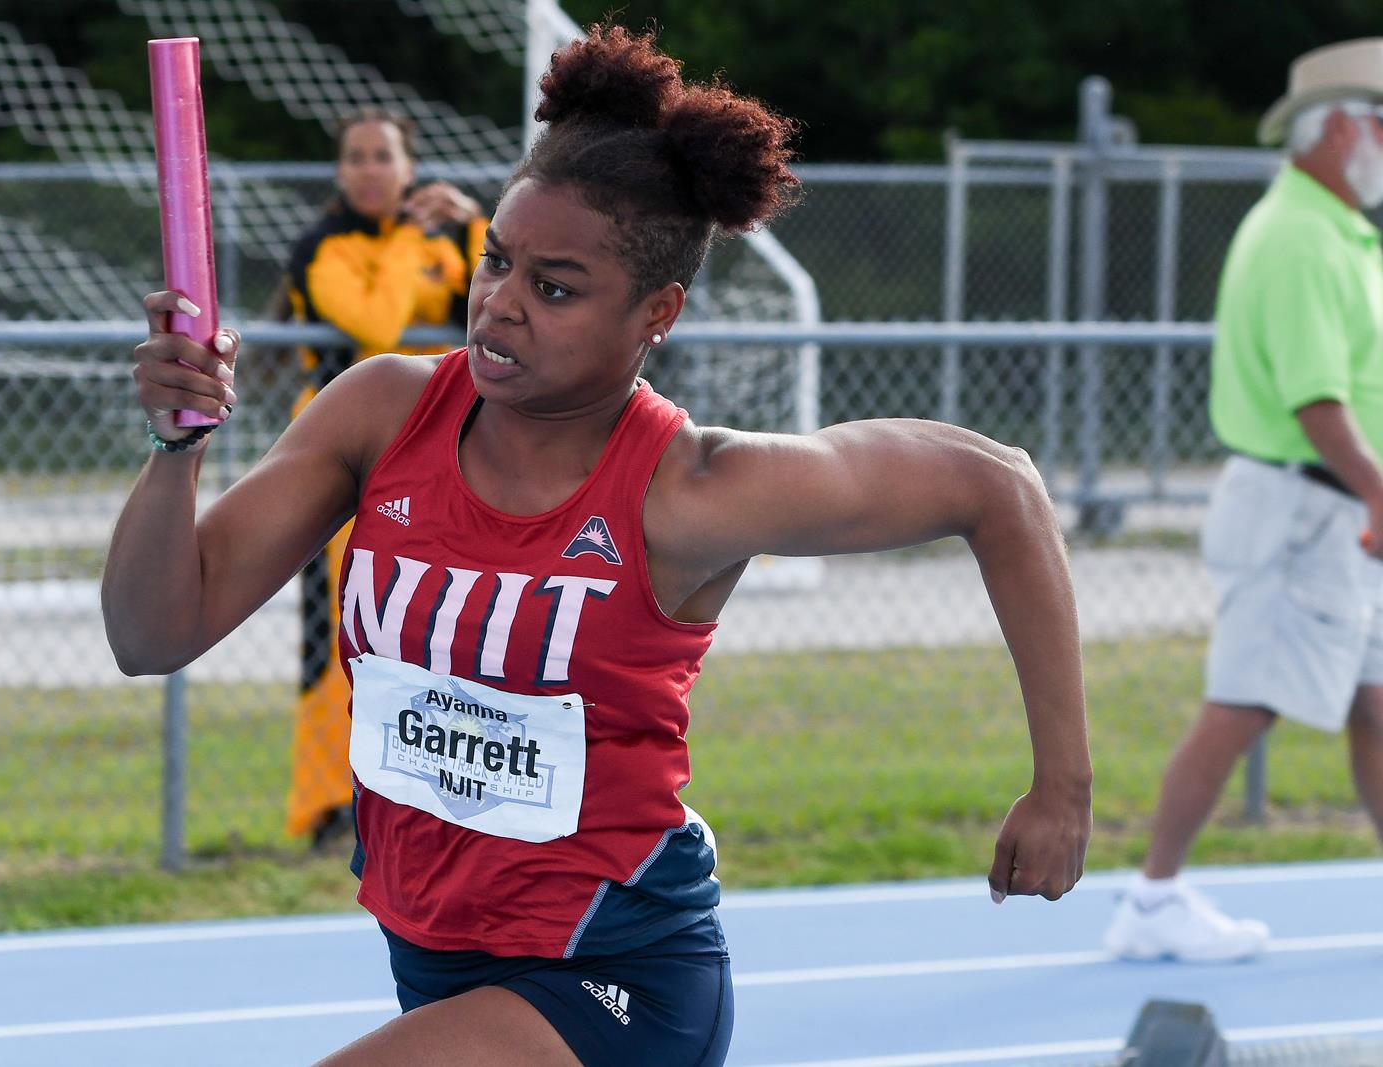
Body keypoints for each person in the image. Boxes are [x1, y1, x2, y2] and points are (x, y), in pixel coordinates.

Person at [104, 25, 1091, 1066]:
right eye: (497, 260)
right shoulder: (381, 412)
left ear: (655, 311)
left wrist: (1061, 787)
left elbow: (1000, 485)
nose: (501, 304)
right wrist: (176, 449)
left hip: (610, 974)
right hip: (433, 949)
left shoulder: (691, 490)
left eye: (556, 287)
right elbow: (151, 632)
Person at [1103, 39, 1383, 964]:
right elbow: (1318, 399)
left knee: (1376, 702)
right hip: (1307, 508)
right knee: (1246, 698)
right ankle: (1151, 899)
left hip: (1343, 512)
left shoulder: (1338, 229)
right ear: (1341, 128)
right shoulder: (1302, 235)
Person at [271, 108, 488, 848]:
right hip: (344, 461)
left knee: (439, 629)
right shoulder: (324, 245)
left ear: (408, 166)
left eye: (383, 156)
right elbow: (378, 325)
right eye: (356, 157)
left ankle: (430, 795)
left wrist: (472, 226)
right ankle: (330, 803)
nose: (370, 169)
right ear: (340, 172)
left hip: (441, 451)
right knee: (342, 629)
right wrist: (414, 241)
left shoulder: (446, 235)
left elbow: (500, 307)